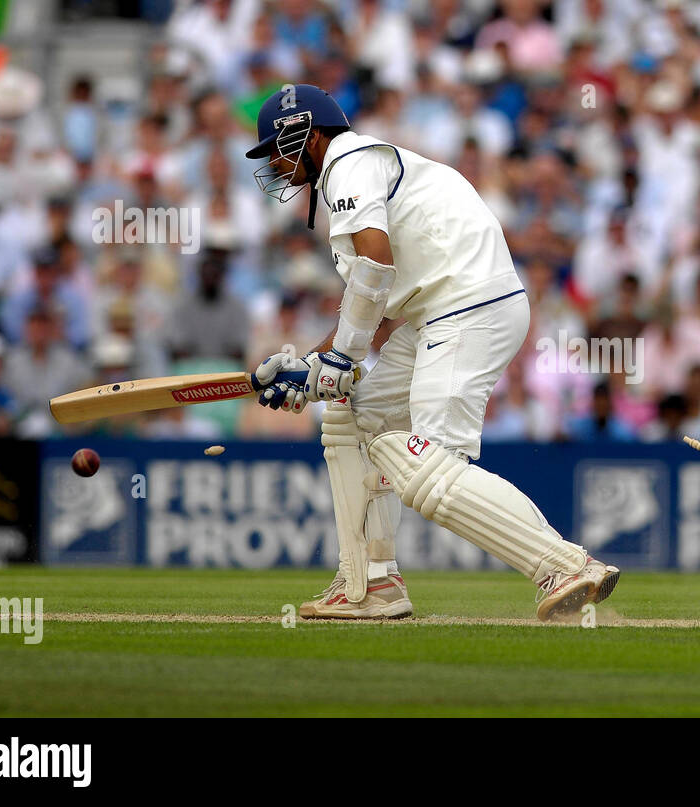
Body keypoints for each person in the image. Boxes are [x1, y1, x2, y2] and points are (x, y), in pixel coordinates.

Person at [245, 84, 619, 621]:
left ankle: (564, 563)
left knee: (425, 466)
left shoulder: (349, 162)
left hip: (469, 308)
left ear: (308, 133)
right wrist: (311, 364)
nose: (276, 166)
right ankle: (372, 583)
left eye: (277, 149)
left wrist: (340, 359)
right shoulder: (356, 173)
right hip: (440, 313)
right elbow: (369, 300)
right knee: (359, 419)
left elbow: (376, 268)